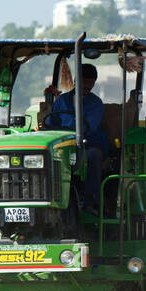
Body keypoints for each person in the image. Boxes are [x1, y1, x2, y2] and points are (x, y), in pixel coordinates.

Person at [44, 63, 107, 213]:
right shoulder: (62, 100)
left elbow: (89, 127)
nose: (87, 86)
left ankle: (90, 200)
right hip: (63, 142)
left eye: (90, 83)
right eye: (84, 81)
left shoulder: (96, 103)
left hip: (87, 142)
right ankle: (48, 197)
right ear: (76, 80)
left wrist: (72, 128)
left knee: (93, 155)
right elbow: (52, 122)